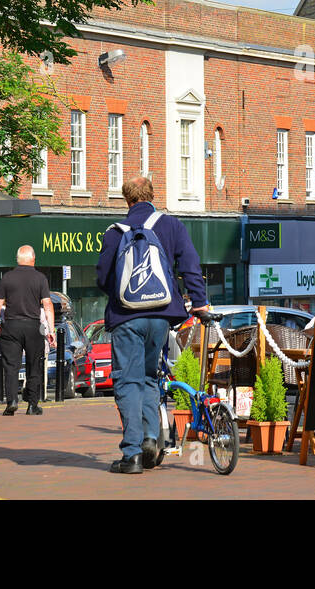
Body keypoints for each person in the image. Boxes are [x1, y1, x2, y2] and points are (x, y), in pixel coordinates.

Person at [97, 176, 210, 475]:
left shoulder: (114, 232)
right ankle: (151, 440)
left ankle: (132, 454)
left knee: (126, 380)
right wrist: (199, 302)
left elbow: (102, 279)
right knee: (149, 377)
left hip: (126, 318)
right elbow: (190, 266)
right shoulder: (171, 225)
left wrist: (124, 298)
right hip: (161, 317)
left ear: (127, 199)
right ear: (151, 195)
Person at [0, 245, 56, 415]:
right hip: (34, 326)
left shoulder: (7, 277)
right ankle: (33, 405)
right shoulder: (40, 278)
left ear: (18, 259)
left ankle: (12, 401)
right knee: (34, 364)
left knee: (11, 366)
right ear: (33, 259)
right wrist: (51, 330)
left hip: (12, 326)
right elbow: (47, 305)